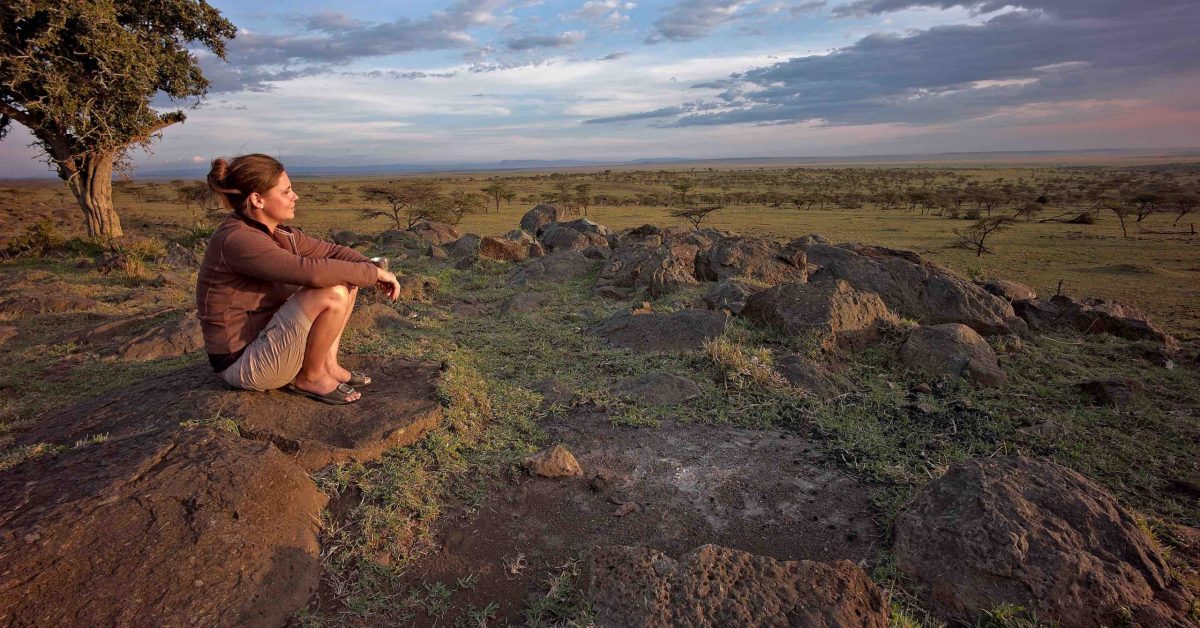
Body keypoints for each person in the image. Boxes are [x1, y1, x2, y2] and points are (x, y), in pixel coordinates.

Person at [196, 154, 402, 404]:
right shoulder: (238, 239)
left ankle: (328, 366)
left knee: (347, 278)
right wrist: (373, 274)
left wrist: (368, 266)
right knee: (331, 290)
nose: (295, 197)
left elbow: (332, 252)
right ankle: (311, 377)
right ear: (257, 200)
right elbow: (311, 272)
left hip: (267, 340)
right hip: (243, 363)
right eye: (286, 191)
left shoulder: (277, 232)